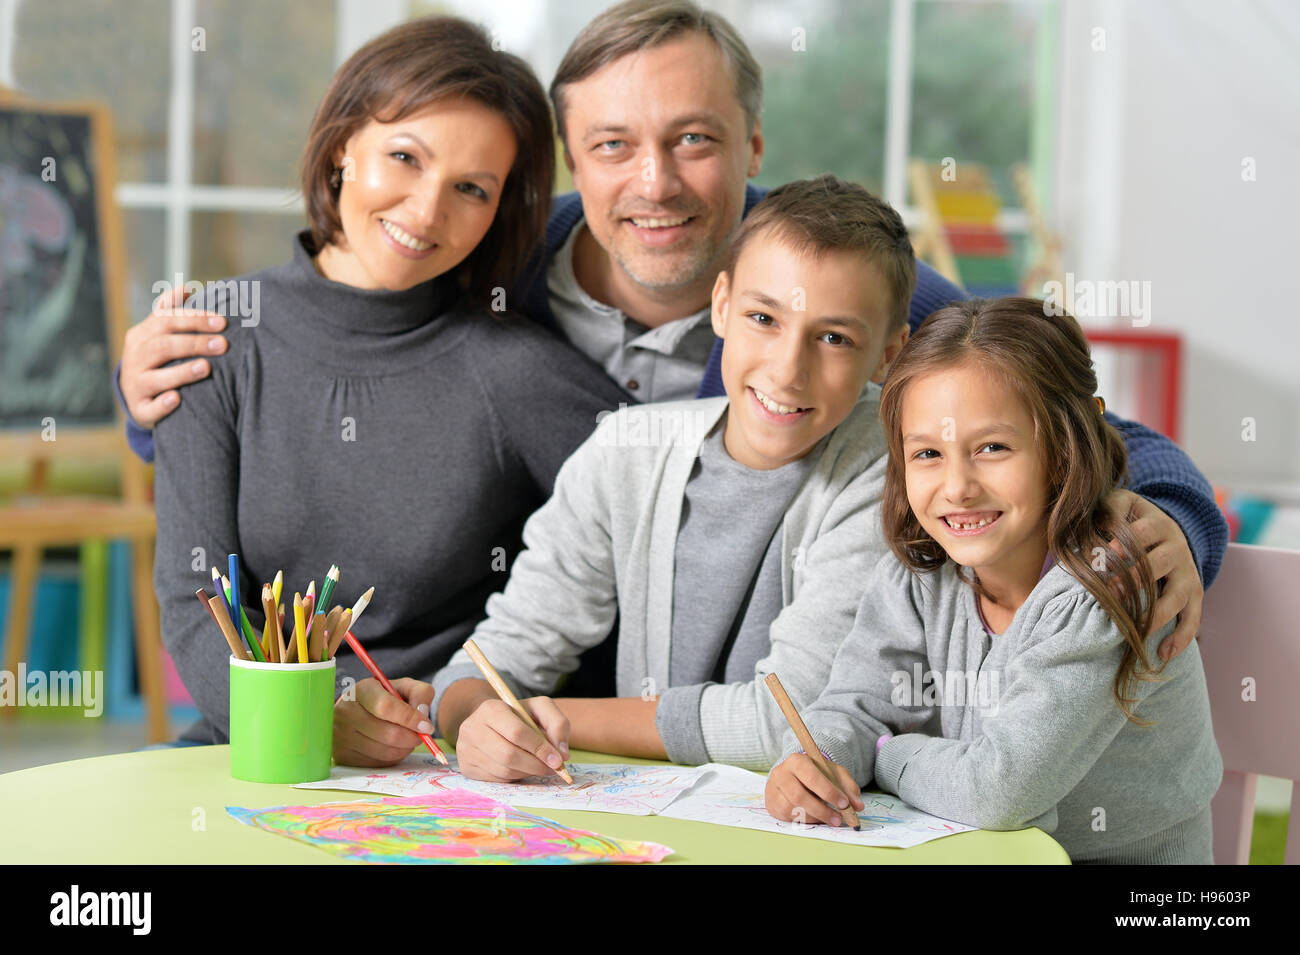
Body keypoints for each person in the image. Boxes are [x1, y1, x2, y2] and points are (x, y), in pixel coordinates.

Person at [124, 0, 1219, 674]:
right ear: (565, 160)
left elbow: (1078, 430)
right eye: (610, 145)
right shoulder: (478, 269)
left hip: (750, 724)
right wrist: (157, 399)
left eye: (693, 141)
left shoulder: (833, 293)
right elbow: (335, 365)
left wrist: (1166, 510)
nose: (652, 183)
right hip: (531, 719)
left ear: (751, 143)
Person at [151, 17, 627, 761]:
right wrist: (323, 715)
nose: (427, 210)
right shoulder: (210, 338)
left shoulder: (515, 370)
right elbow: (192, 607)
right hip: (248, 746)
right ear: (343, 144)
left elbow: (685, 497)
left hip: (439, 766)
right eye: (404, 156)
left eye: (471, 188)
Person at [434, 176, 913, 779]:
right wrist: (476, 718)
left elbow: (789, 723)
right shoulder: (626, 452)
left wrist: (547, 718)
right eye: (763, 317)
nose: (789, 371)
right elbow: (490, 663)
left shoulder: (897, 469)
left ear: (891, 354)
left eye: (834, 337)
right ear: (721, 306)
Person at [764, 298, 1222, 864]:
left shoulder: (1103, 590)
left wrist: (887, 756)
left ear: (1064, 447)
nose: (957, 487)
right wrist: (814, 760)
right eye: (928, 453)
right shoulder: (919, 578)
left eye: (992, 448)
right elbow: (855, 705)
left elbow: (999, 791)